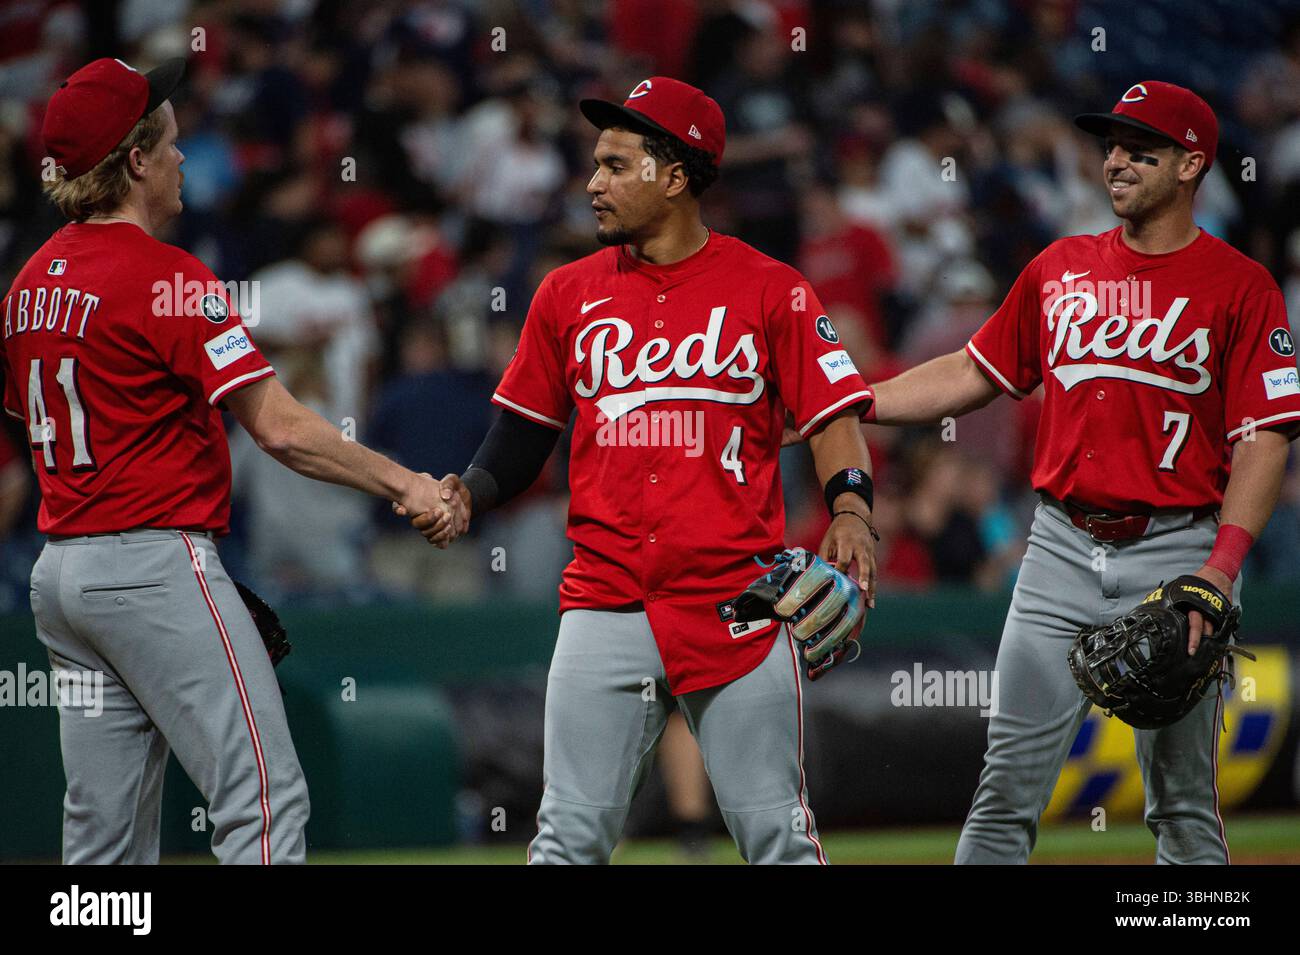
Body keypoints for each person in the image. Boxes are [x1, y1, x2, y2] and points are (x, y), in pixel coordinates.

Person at [410, 77, 877, 864]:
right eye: (595, 164)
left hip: (737, 599)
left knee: (778, 838)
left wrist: (851, 509)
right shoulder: (566, 293)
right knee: (565, 839)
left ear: (676, 173)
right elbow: (524, 432)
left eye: (616, 165)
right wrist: (470, 490)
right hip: (605, 597)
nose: (593, 183)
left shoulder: (772, 290)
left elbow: (833, 416)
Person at [0, 57, 454, 864]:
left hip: (61, 572)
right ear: (134, 160)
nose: (182, 157)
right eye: (170, 142)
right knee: (265, 800)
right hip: (151, 561)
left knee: (99, 838)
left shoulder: (30, 281)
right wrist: (408, 482)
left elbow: (26, 418)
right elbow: (278, 428)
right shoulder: (167, 276)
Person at [861, 81, 1300, 863]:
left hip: (1178, 552)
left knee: (1184, 808)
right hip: (1059, 548)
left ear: (1192, 162)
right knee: (1004, 793)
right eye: (1111, 145)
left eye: (1142, 148)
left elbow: (1266, 435)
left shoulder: (1241, 286)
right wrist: (857, 400)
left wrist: (1221, 569)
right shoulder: (1059, 266)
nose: (1117, 160)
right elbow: (972, 371)